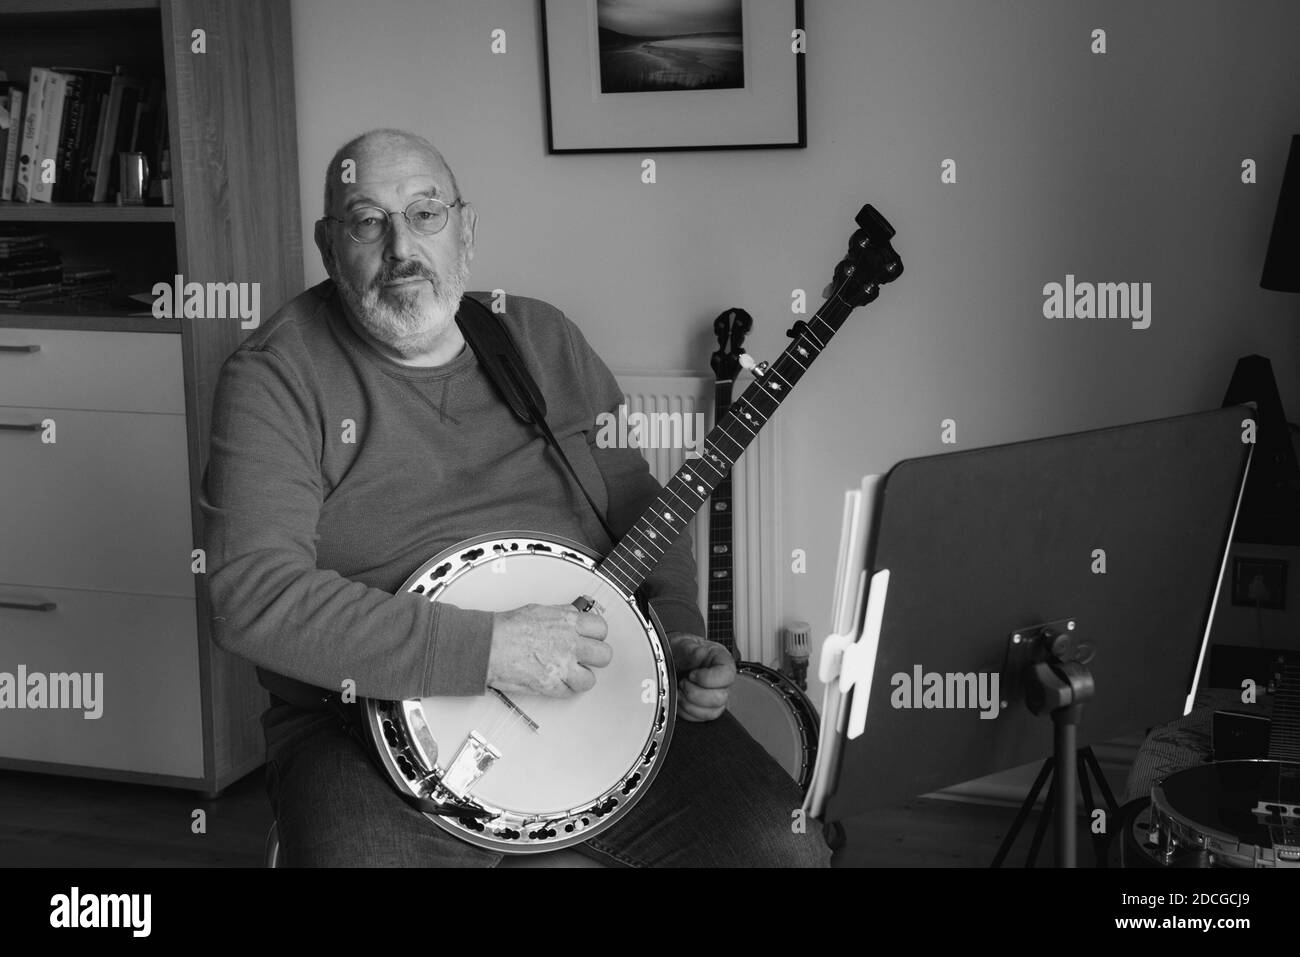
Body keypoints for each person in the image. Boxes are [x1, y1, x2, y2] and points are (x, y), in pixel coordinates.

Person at [201, 128, 830, 868]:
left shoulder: (543, 338)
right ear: (329, 243)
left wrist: (677, 634)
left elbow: (637, 503)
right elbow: (252, 596)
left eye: (426, 213)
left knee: (781, 852)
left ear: (466, 229)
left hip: (598, 686)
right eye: (369, 221)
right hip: (358, 729)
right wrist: (492, 649)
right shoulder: (275, 377)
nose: (402, 248)